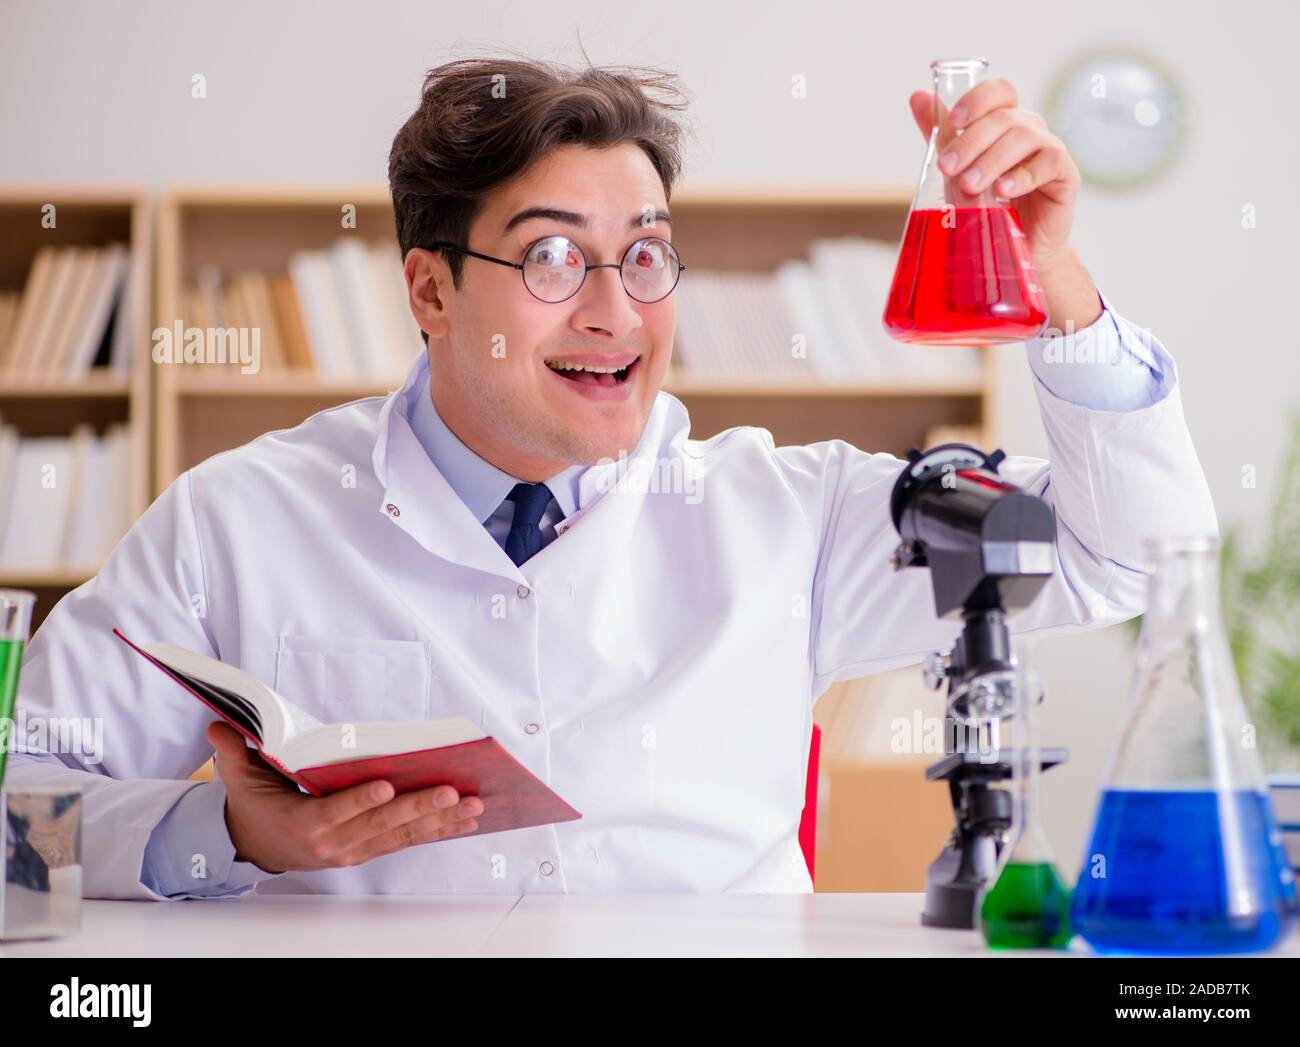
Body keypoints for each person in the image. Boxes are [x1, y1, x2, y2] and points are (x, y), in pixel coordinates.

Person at [9, 56, 1216, 898]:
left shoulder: (786, 514)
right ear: (430, 289)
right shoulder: (235, 519)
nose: (613, 311)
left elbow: (1127, 559)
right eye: (550, 257)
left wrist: (1056, 283)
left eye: (645, 255)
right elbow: (20, 821)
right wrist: (228, 834)